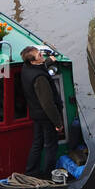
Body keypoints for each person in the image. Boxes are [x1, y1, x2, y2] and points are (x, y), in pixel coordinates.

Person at [20, 46, 64, 178]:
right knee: (51, 146)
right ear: (33, 61)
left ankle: (31, 171)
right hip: (46, 116)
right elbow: (47, 104)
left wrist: (48, 62)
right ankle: (48, 175)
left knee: (37, 142)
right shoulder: (40, 78)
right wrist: (58, 123)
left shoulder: (26, 68)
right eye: (39, 55)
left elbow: (38, 67)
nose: (41, 55)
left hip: (35, 113)